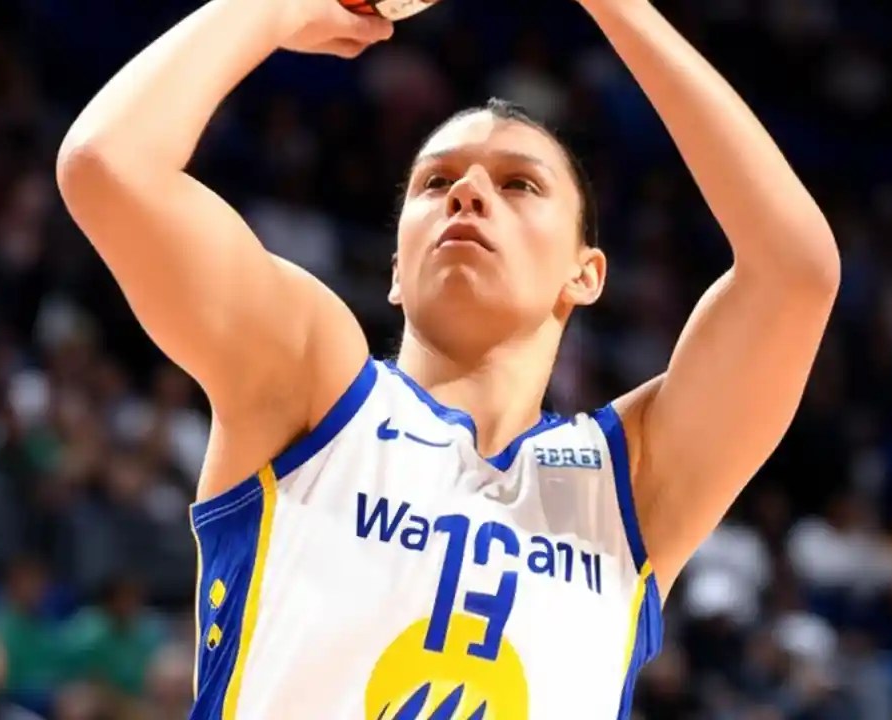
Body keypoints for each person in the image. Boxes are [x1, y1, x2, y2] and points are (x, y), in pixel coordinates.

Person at [56, 0, 839, 715]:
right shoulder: (314, 389)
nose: (467, 192)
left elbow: (795, 272)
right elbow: (109, 163)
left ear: (586, 272)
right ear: (396, 268)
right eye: (435, 182)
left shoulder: (629, 484)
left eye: (519, 184)